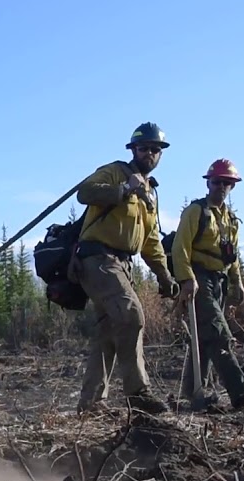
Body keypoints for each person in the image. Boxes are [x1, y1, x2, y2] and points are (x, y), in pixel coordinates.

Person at [69, 122, 179, 414]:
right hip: (98, 259)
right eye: (144, 148)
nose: (150, 154)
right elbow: (85, 192)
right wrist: (123, 189)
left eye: (155, 149)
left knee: (108, 332)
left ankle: (91, 404)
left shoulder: (151, 194)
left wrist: (164, 275)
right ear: (133, 150)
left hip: (122, 264)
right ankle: (138, 393)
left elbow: (151, 240)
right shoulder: (115, 172)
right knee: (131, 315)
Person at [171, 159, 244, 410]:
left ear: (232, 187)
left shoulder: (231, 220)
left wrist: (238, 283)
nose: (221, 187)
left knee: (205, 339)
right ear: (208, 183)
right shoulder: (196, 212)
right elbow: (180, 248)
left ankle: (193, 394)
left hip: (219, 281)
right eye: (217, 182)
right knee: (218, 333)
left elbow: (232, 256)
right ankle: (240, 391)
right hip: (199, 279)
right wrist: (187, 279)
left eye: (227, 183)